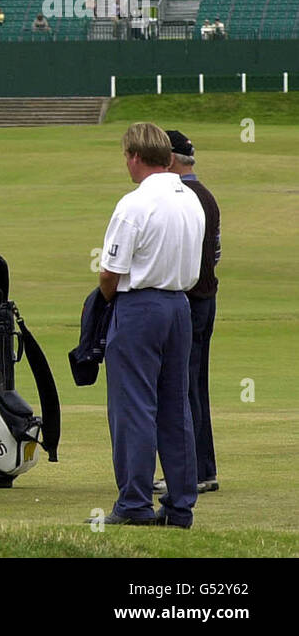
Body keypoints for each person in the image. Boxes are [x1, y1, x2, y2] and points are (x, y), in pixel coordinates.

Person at [96, 123, 204, 528]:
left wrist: (102, 306)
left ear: (136, 157)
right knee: (176, 408)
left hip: (140, 306)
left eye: (126, 156)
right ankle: (179, 507)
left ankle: (135, 502)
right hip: (180, 306)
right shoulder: (190, 198)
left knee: (134, 407)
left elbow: (111, 273)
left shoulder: (133, 204)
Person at [163, 130, 221, 495]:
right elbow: (215, 254)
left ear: (169, 159)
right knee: (196, 384)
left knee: (184, 387)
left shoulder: (186, 196)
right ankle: (203, 468)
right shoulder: (206, 196)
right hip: (206, 298)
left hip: (191, 300)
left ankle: (194, 472)